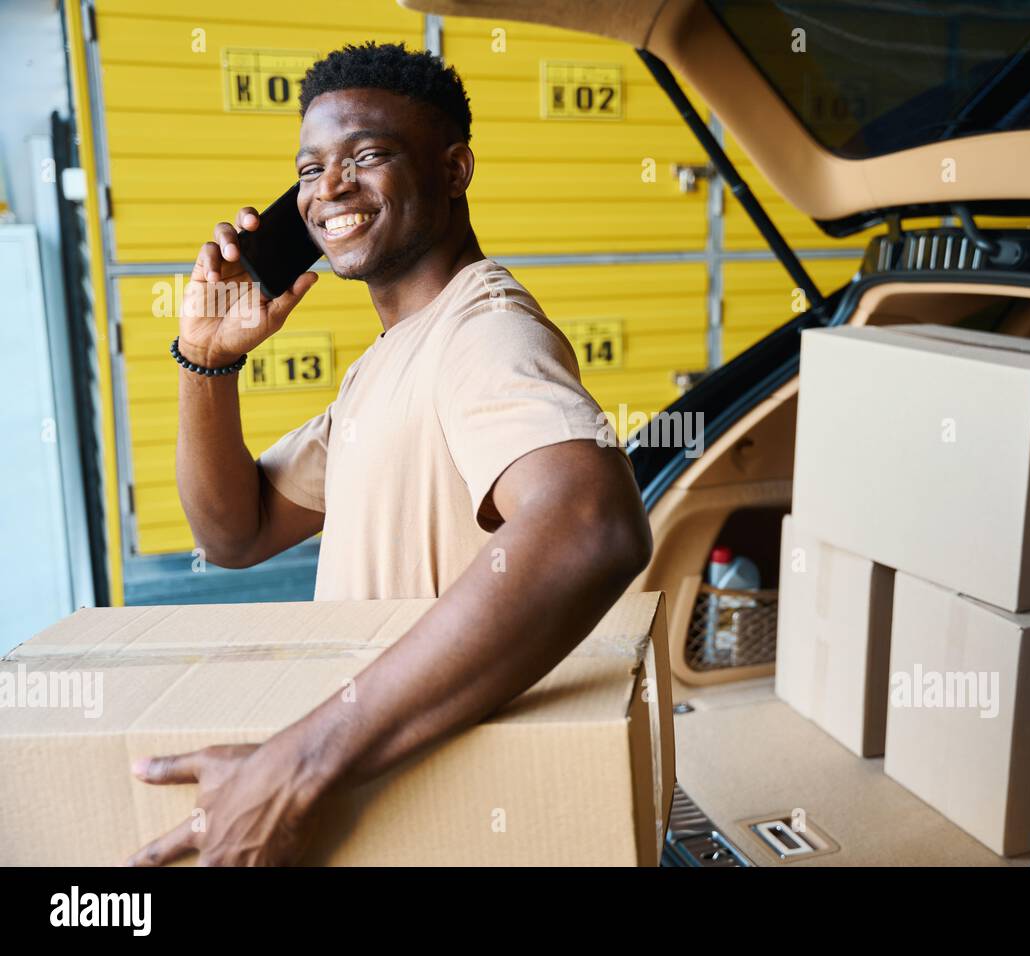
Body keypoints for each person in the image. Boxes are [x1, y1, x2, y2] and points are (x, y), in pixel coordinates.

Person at [127, 42, 652, 866]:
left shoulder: (485, 334)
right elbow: (235, 535)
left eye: (366, 156)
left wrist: (295, 766)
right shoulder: (387, 363)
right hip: (386, 803)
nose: (328, 188)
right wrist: (208, 359)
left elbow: (593, 525)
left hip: (450, 817)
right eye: (309, 169)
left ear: (454, 170)